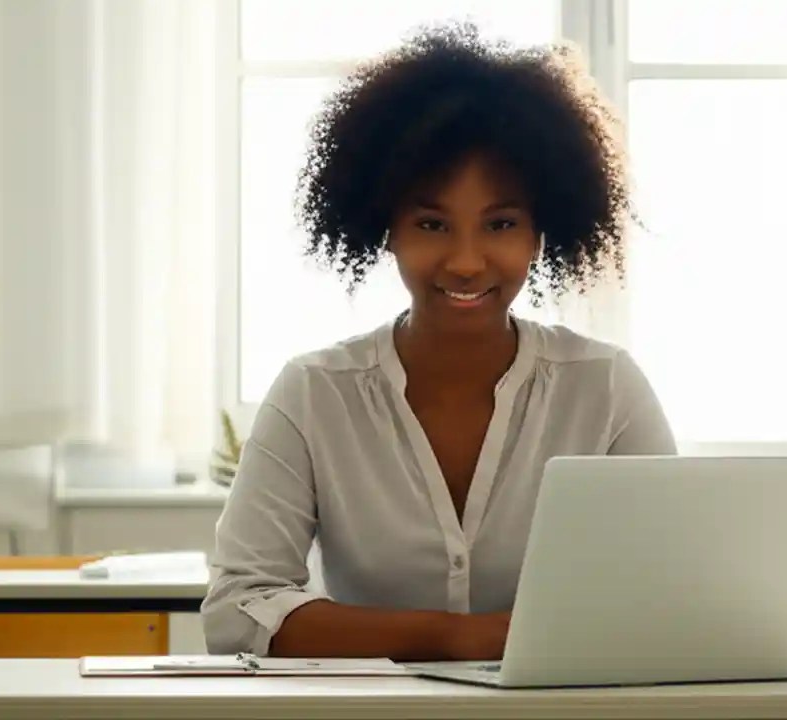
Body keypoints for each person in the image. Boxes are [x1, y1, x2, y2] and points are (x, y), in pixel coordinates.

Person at [201, 21, 675, 661]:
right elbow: (238, 610)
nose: (467, 261)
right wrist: (458, 638)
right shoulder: (314, 393)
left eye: (501, 224)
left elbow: (670, 593)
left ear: (542, 233)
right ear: (386, 228)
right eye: (432, 224)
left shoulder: (607, 387)